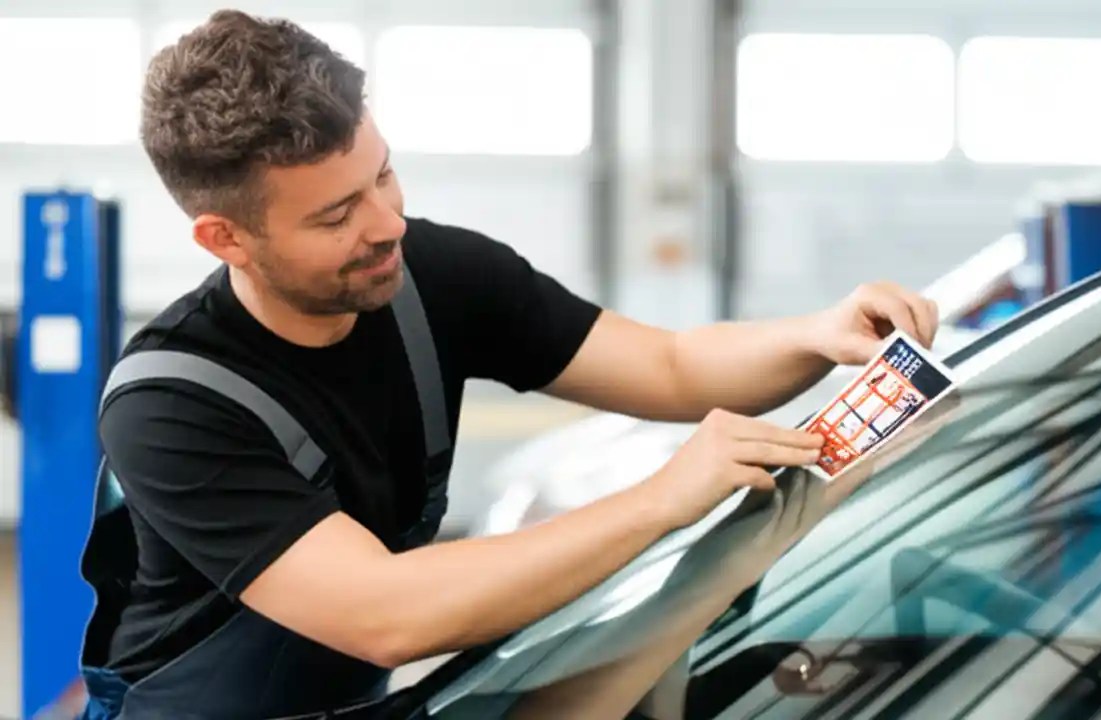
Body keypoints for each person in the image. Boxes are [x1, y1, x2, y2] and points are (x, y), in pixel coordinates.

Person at [75, 10, 939, 719]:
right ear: (226, 237)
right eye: (337, 214)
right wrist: (661, 500)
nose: (386, 224)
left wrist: (816, 335)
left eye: (385, 176)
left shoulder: (433, 276)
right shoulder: (169, 405)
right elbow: (387, 614)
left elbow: (672, 366)